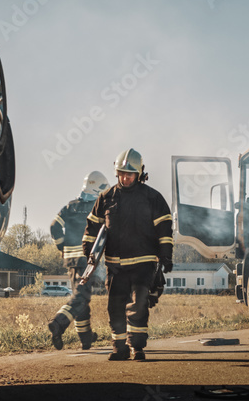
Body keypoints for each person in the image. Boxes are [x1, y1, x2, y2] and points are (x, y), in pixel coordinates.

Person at [82, 148, 173, 361]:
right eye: (122, 174)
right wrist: (89, 252)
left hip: (143, 264)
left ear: (139, 174)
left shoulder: (153, 197)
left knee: (138, 306)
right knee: (115, 308)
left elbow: (164, 228)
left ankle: (137, 347)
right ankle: (119, 348)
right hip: (115, 266)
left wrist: (166, 256)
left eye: (130, 174)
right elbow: (92, 227)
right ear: (117, 173)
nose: (125, 178)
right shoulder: (106, 197)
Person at [46, 171, 110, 350]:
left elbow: (54, 226)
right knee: (80, 298)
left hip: (71, 260)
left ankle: (86, 338)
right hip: (88, 259)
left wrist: (62, 246)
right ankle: (58, 323)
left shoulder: (70, 206)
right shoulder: (98, 208)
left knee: (82, 297)